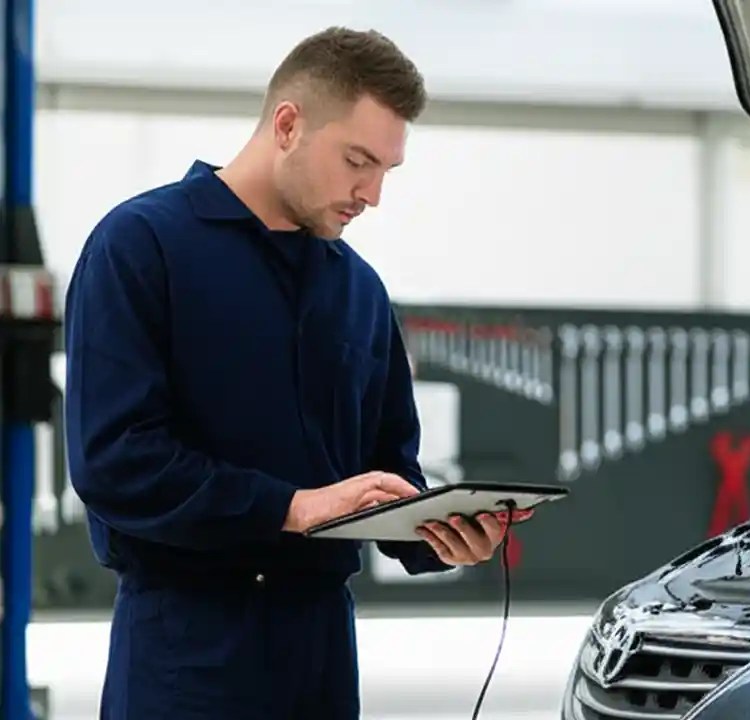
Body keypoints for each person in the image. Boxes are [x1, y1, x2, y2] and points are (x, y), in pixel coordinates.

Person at [62, 26, 527, 719]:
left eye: (385, 172)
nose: (371, 195)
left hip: (321, 657)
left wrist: (442, 535)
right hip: (187, 652)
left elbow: (387, 470)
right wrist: (293, 507)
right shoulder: (142, 246)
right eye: (357, 161)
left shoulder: (360, 291)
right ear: (287, 125)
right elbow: (114, 460)